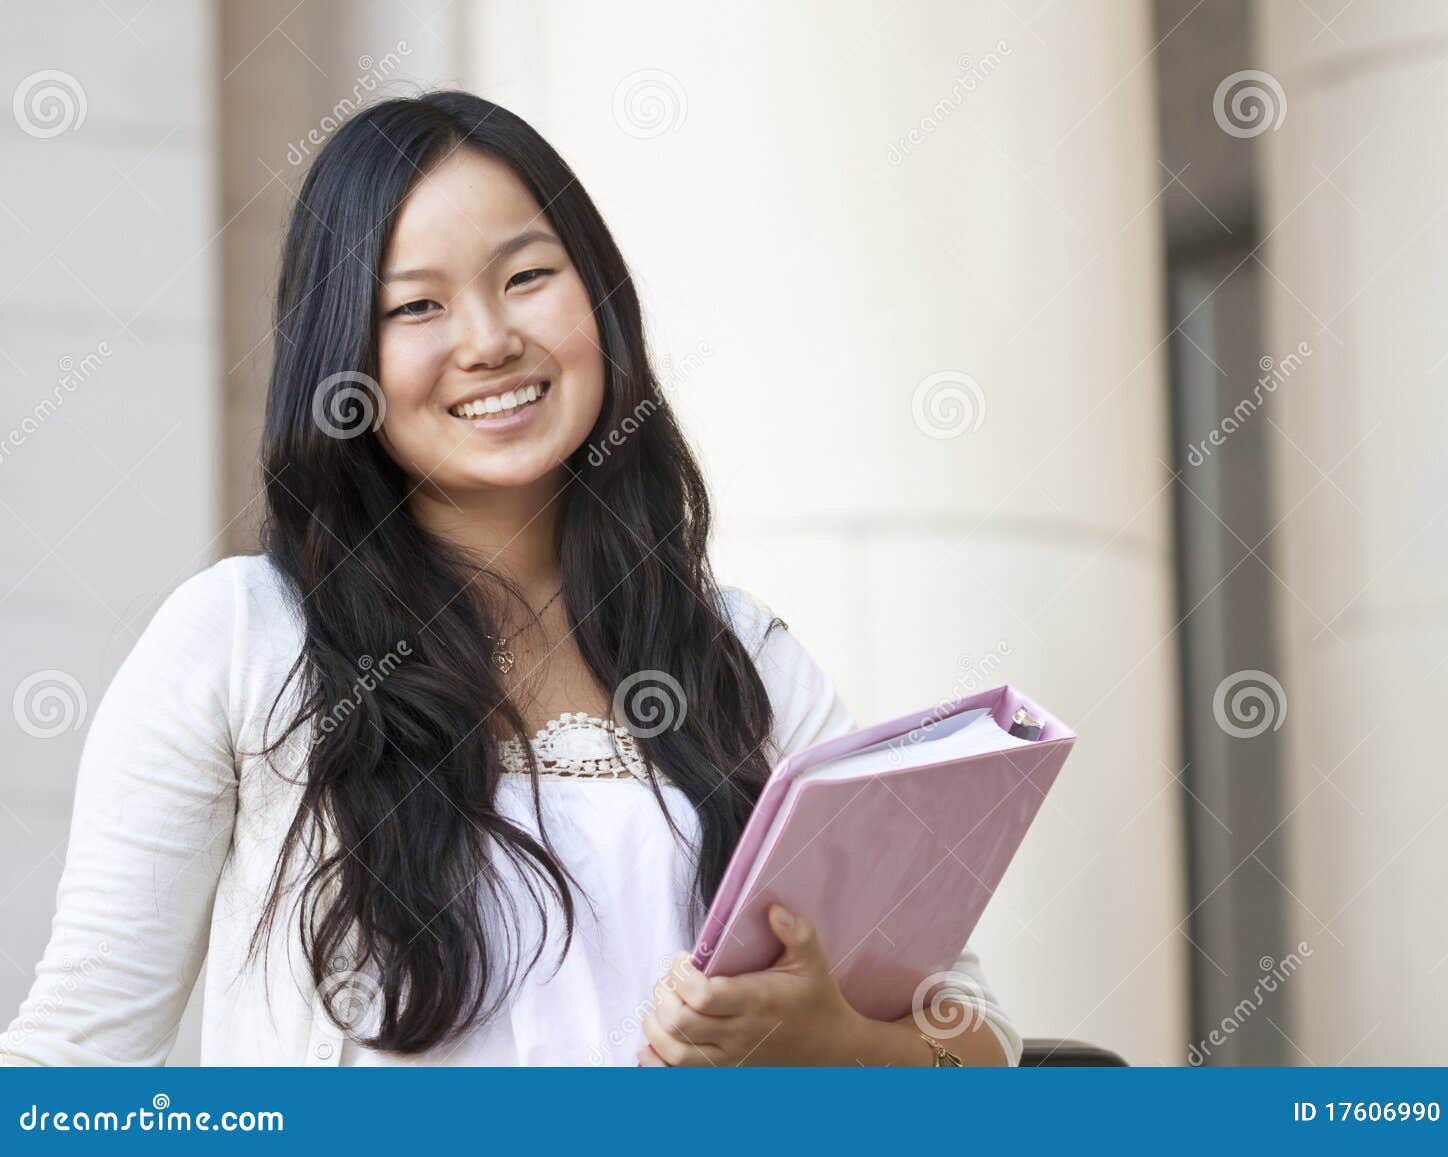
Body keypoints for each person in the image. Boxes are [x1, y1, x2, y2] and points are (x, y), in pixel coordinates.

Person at [1, 90, 1020, 1068]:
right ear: (342, 358)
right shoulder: (240, 638)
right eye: (416, 305)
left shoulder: (739, 655)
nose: (489, 341)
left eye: (527, 276)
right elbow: (76, 1053)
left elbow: (973, 1035)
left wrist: (833, 1043)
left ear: (599, 295)